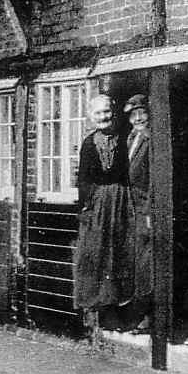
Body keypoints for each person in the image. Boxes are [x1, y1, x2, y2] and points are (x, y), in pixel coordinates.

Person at [75, 94, 129, 335]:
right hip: (99, 204)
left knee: (122, 252)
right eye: (98, 113)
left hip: (123, 201)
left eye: (107, 111)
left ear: (114, 112)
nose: (103, 116)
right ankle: (102, 313)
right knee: (99, 254)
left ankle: (124, 311)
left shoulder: (126, 138)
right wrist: (87, 207)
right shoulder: (89, 144)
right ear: (90, 116)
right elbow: (84, 179)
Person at [121, 94, 154, 334]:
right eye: (134, 114)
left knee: (146, 264)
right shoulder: (130, 138)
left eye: (142, 113)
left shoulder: (152, 140)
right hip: (129, 211)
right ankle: (131, 315)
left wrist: (152, 211)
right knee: (131, 262)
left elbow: (156, 180)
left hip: (145, 211)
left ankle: (149, 317)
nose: (139, 118)